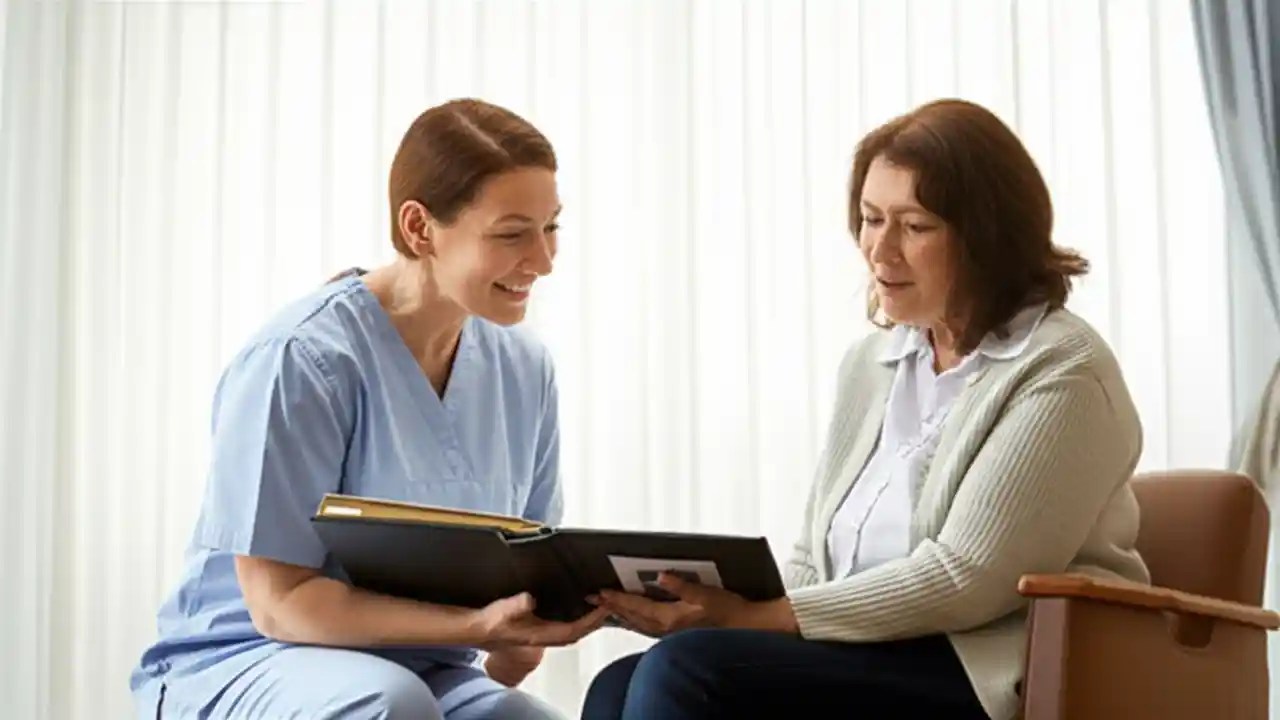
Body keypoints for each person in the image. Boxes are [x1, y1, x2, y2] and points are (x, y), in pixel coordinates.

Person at [580, 98, 1150, 720]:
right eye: (871, 219)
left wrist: (756, 620)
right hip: (864, 654)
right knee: (617, 685)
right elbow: (813, 559)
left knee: (688, 672)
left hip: (979, 670)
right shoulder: (873, 364)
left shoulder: (1062, 370)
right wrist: (708, 610)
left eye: (915, 225)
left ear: (989, 236)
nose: (880, 251)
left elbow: (966, 579)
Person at [129, 98, 609, 720]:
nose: (544, 261)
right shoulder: (300, 359)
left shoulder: (524, 368)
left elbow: (526, 568)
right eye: (512, 233)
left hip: (425, 664)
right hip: (253, 654)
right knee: (393, 704)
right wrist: (476, 626)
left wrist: (524, 634)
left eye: (552, 228)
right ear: (419, 228)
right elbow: (280, 603)